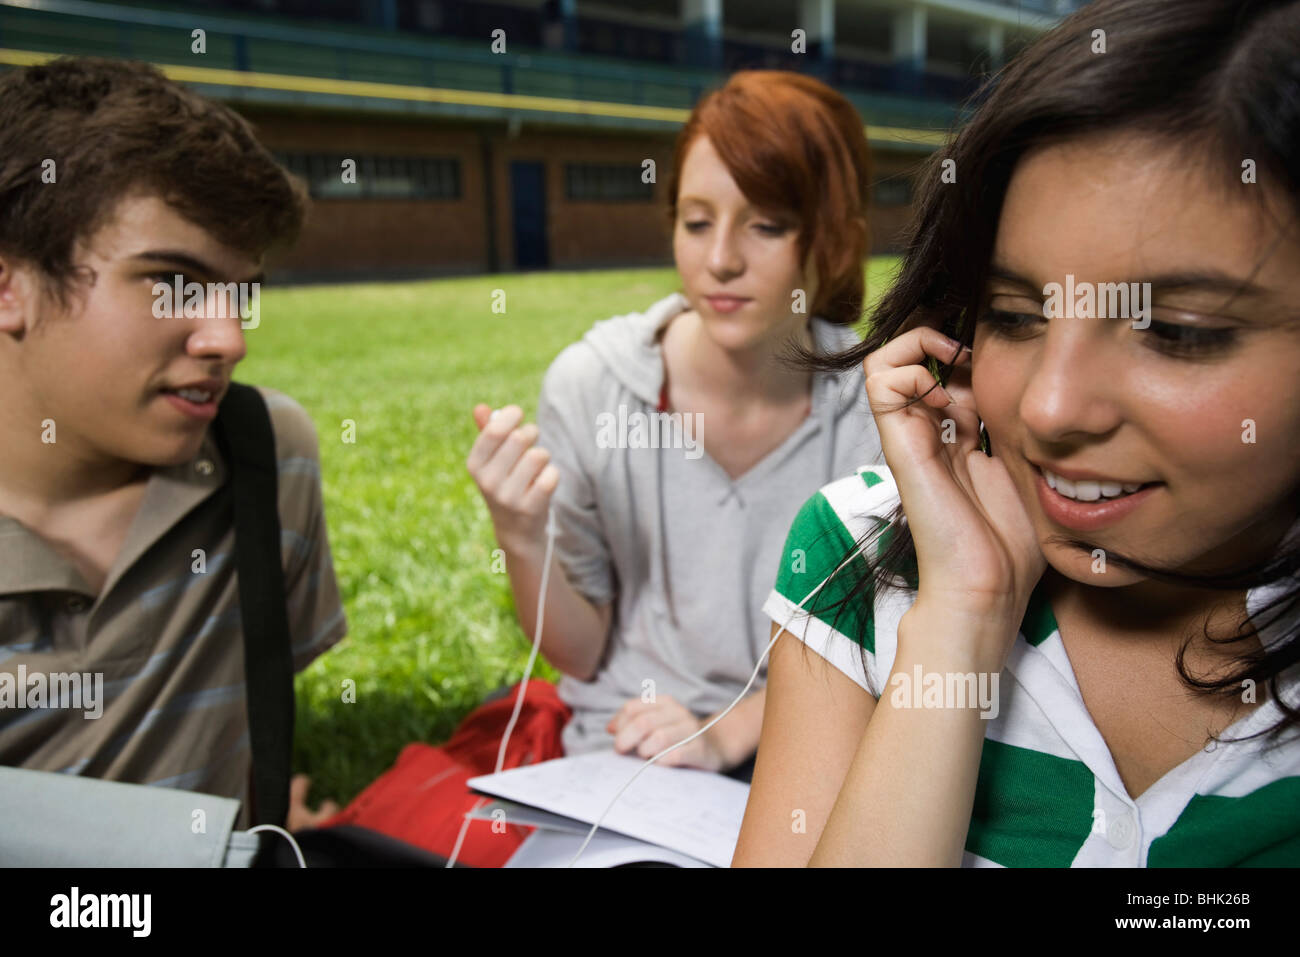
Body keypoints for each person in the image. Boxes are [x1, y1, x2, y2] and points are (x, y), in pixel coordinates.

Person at [732, 0, 1300, 867]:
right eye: (1014, 314)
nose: (1048, 407)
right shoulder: (858, 556)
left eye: (1177, 331)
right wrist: (963, 613)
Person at [321, 69, 883, 866]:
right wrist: (519, 533)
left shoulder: (872, 406)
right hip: (628, 747)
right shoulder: (591, 383)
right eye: (695, 222)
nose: (719, 260)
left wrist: (730, 729)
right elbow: (578, 654)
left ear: (829, 239)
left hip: (812, 737)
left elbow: (885, 651)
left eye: (765, 225)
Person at [0, 57, 347, 836]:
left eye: (241, 293)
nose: (230, 338)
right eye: (172, 283)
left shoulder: (265, 457)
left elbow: (250, 718)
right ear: (8, 284)